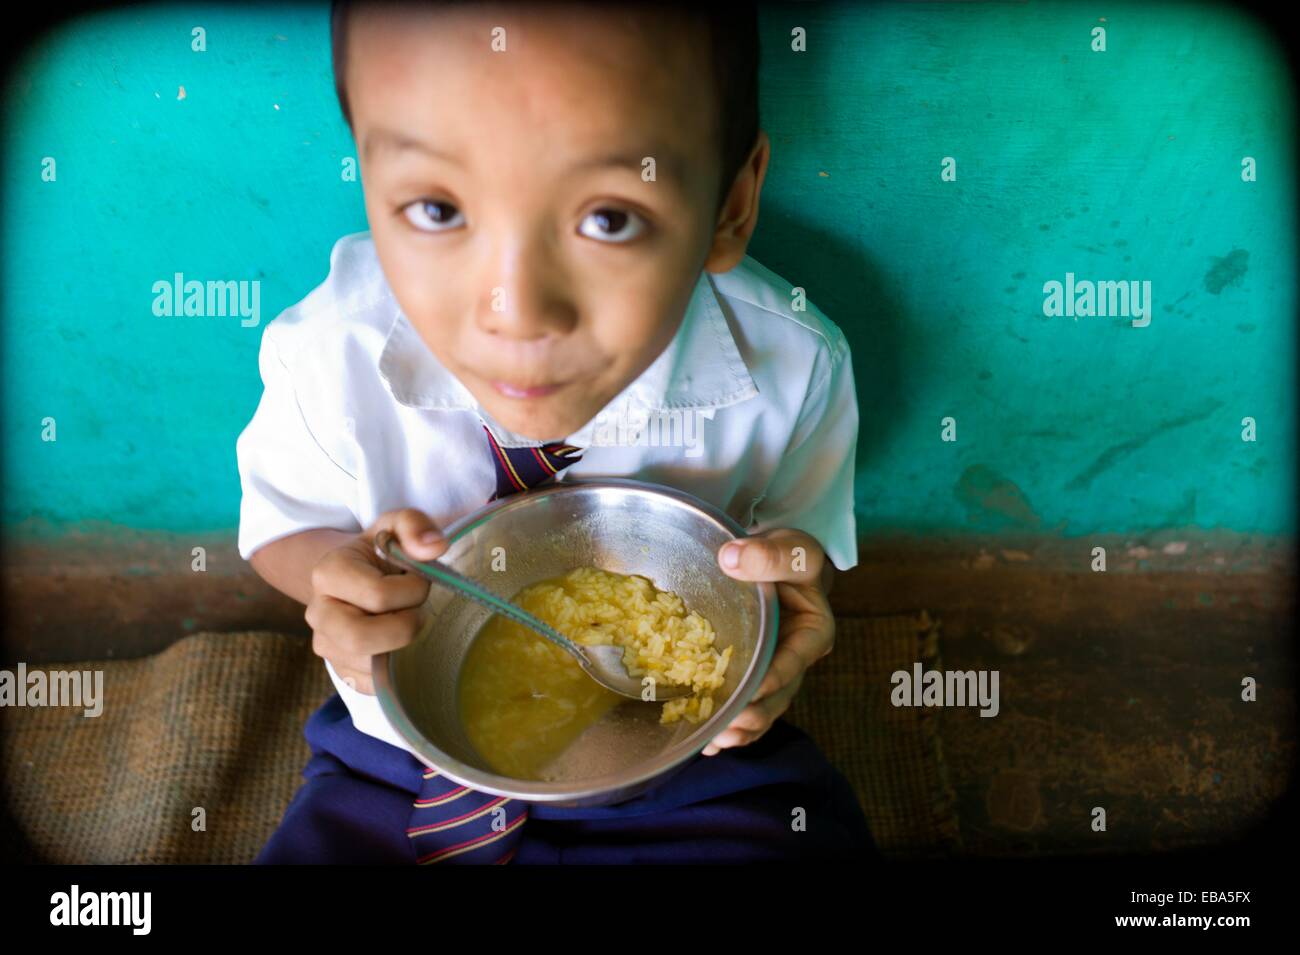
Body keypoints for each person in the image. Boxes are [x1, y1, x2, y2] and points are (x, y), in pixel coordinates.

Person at [237, 0, 874, 863]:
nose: (516, 312)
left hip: (696, 768)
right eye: (434, 208)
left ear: (730, 204)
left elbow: (802, 559)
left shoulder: (793, 365)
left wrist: (794, 611)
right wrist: (336, 581)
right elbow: (283, 526)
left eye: (608, 218)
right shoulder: (325, 353)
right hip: (394, 765)